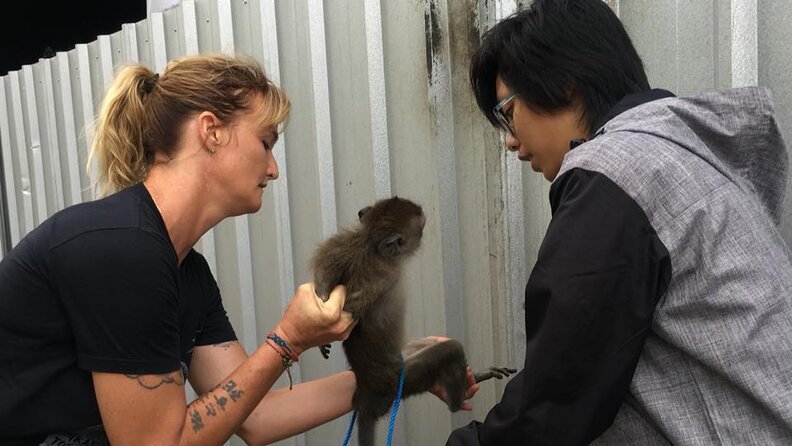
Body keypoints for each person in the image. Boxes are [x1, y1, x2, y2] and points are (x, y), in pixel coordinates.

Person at [0, 54, 476, 445]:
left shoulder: (186, 271)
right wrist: (288, 340)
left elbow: (257, 416)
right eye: (266, 143)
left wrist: (401, 370)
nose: (273, 170)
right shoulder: (122, 250)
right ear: (211, 131)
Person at [447, 0, 792, 445]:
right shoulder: (684, 155)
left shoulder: (615, 171)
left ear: (564, 84)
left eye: (507, 113)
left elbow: (555, 399)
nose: (511, 142)